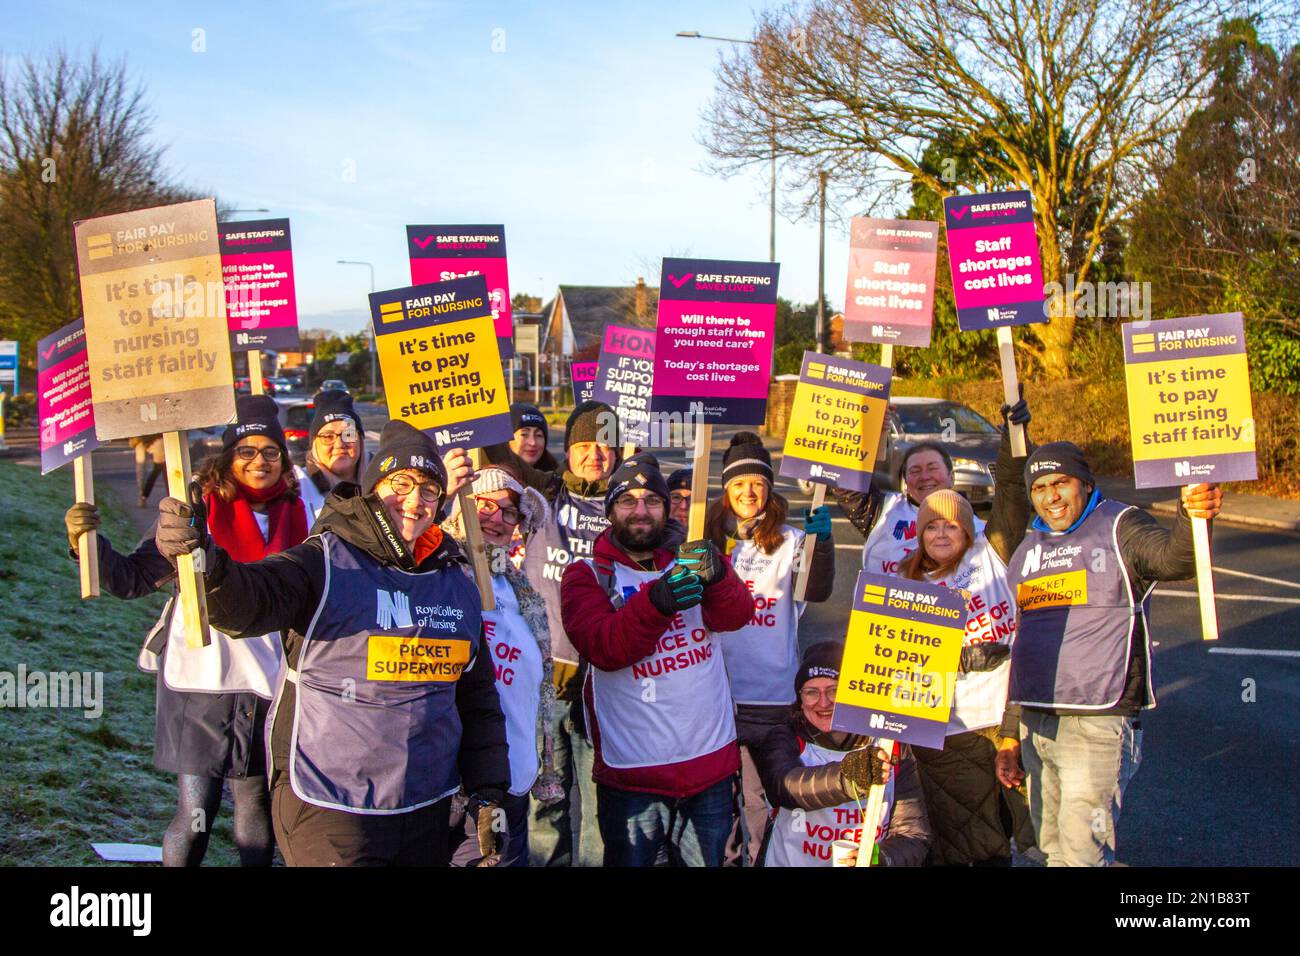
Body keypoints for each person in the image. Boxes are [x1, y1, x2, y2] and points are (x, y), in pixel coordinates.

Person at [153, 420, 510, 866]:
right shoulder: (324, 560)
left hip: (427, 806)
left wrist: (488, 790)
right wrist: (202, 562)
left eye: (429, 489)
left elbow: (476, 697)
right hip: (330, 804)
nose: (414, 501)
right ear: (372, 487)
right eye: (400, 483)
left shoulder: (454, 578)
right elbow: (249, 601)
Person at [63, 395, 307, 866]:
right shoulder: (195, 513)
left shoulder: (300, 516)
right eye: (247, 451)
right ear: (228, 457)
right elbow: (132, 578)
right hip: (200, 682)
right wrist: (85, 543)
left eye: (270, 452)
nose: (259, 462)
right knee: (196, 811)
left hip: (267, 686)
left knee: (255, 808)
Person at [995, 442, 1223, 866]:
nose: (1051, 496)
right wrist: (1010, 733)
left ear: (1085, 483)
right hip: (1036, 725)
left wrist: (1193, 513)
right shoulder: (1030, 549)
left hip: (1098, 721)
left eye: (1061, 483)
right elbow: (1021, 644)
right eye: (1040, 487)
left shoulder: (1121, 524)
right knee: (1047, 853)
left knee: (1083, 854)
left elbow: (1176, 558)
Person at [559, 453, 754, 867]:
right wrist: (658, 602)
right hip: (635, 777)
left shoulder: (692, 557)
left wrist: (717, 575)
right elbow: (604, 648)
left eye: (652, 500)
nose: (641, 511)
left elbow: (736, 616)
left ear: (666, 508)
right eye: (628, 501)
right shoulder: (587, 574)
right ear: (610, 510)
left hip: (710, 768)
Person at [483, 399, 626, 866]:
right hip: (546, 679)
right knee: (546, 801)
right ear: (569, 450)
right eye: (584, 445)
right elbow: (499, 460)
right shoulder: (546, 494)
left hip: (604, 681)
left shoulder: (628, 505)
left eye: (605, 446)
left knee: (602, 800)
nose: (595, 455)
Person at [701, 431, 835, 865]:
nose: (748, 492)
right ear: (726, 491)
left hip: (775, 700)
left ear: (769, 488)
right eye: (738, 484)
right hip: (721, 699)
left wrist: (823, 544)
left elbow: (817, 588)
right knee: (723, 809)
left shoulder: (791, 541)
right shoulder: (710, 544)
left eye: (757, 483)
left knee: (763, 805)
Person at [442, 464, 564, 866]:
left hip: (512, 779)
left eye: (508, 510)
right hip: (459, 785)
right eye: (482, 504)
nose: (495, 516)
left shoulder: (519, 589)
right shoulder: (438, 574)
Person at [756, 642, 931, 867]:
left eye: (834, 690)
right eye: (811, 692)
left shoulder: (889, 745)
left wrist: (879, 858)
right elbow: (784, 787)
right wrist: (849, 778)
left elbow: (913, 835)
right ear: (800, 701)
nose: (823, 702)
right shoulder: (786, 737)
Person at [834, 399, 1028, 574]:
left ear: (952, 477)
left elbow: (1012, 491)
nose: (925, 476)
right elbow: (844, 478)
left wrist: (1014, 440)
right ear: (905, 482)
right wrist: (865, 425)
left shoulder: (980, 530)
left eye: (932, 468)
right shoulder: (882, 511)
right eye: (915, 471)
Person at [295, 389, 367, 523]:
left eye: (349, 435)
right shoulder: (298, 487)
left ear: (361, 441)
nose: (340, 444)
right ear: (314, 443)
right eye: (328, 437)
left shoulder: (382, 486)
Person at [508, 402, 559, 472]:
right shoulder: (495, 479)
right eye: (524, 434)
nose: (533, 442)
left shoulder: (556, 477)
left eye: (539, 435)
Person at [130, 433, 165, 507]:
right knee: (144, 470)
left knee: (160, 467)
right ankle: (142, 497)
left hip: (155, 437)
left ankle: (143, 497)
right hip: (141, 439)